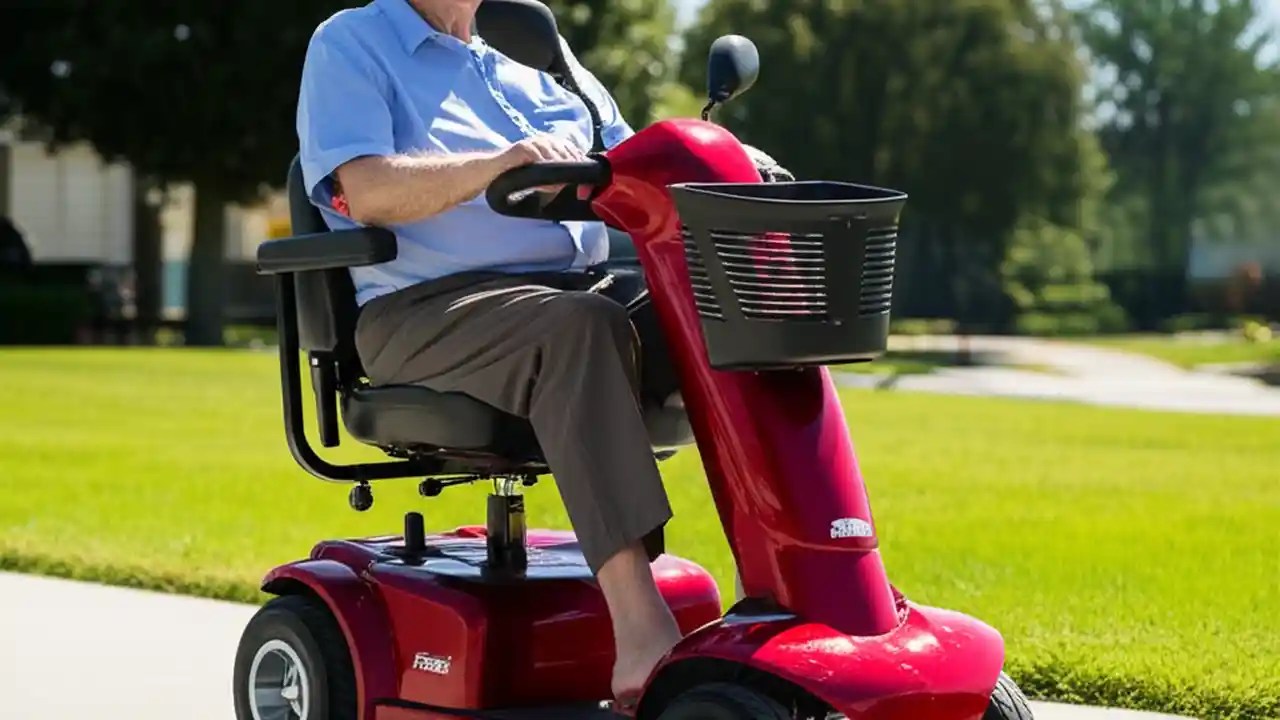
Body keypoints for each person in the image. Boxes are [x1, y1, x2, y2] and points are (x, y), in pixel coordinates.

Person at [297, 0, 787, 703]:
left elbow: (636, 165)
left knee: (735, 310)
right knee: (579, 327)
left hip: (569, 293)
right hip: (424, 310)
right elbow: (364, 190)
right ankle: (640, 630)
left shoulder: (532, 55)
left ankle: (769, 594)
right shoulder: (350, 41)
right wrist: (500, 165)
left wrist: (729, 165)